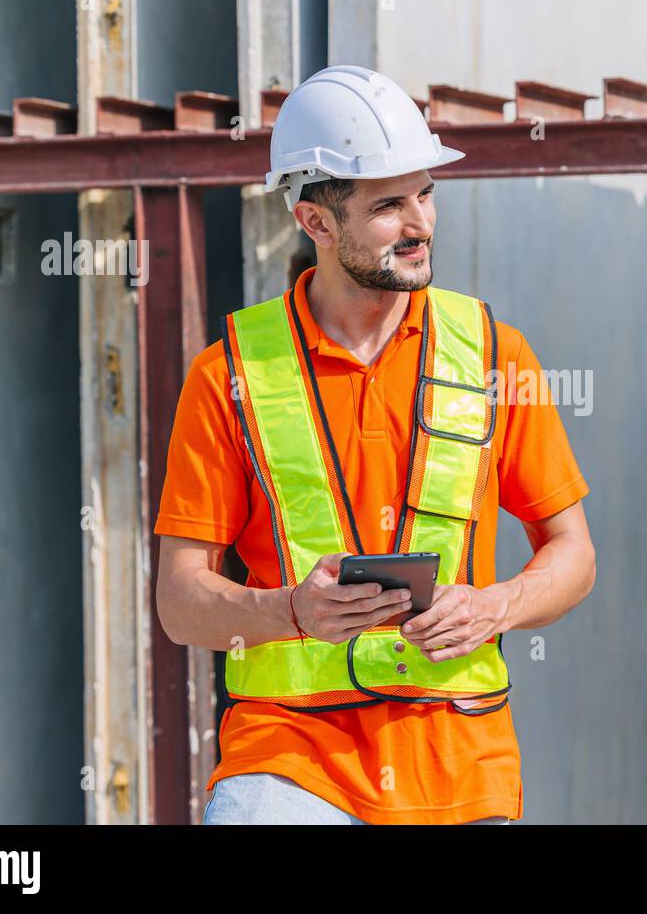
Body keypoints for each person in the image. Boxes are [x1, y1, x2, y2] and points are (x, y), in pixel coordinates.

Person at [154, 65, 596, 824]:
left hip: (458, 759)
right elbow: (180, 602)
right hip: (289, 759)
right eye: (389, 204)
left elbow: (575, 556)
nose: (421, 222)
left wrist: (494, 607)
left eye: (426, 193)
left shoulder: (495, 357)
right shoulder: (229, 374)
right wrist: (290, 610)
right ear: (315, 223)